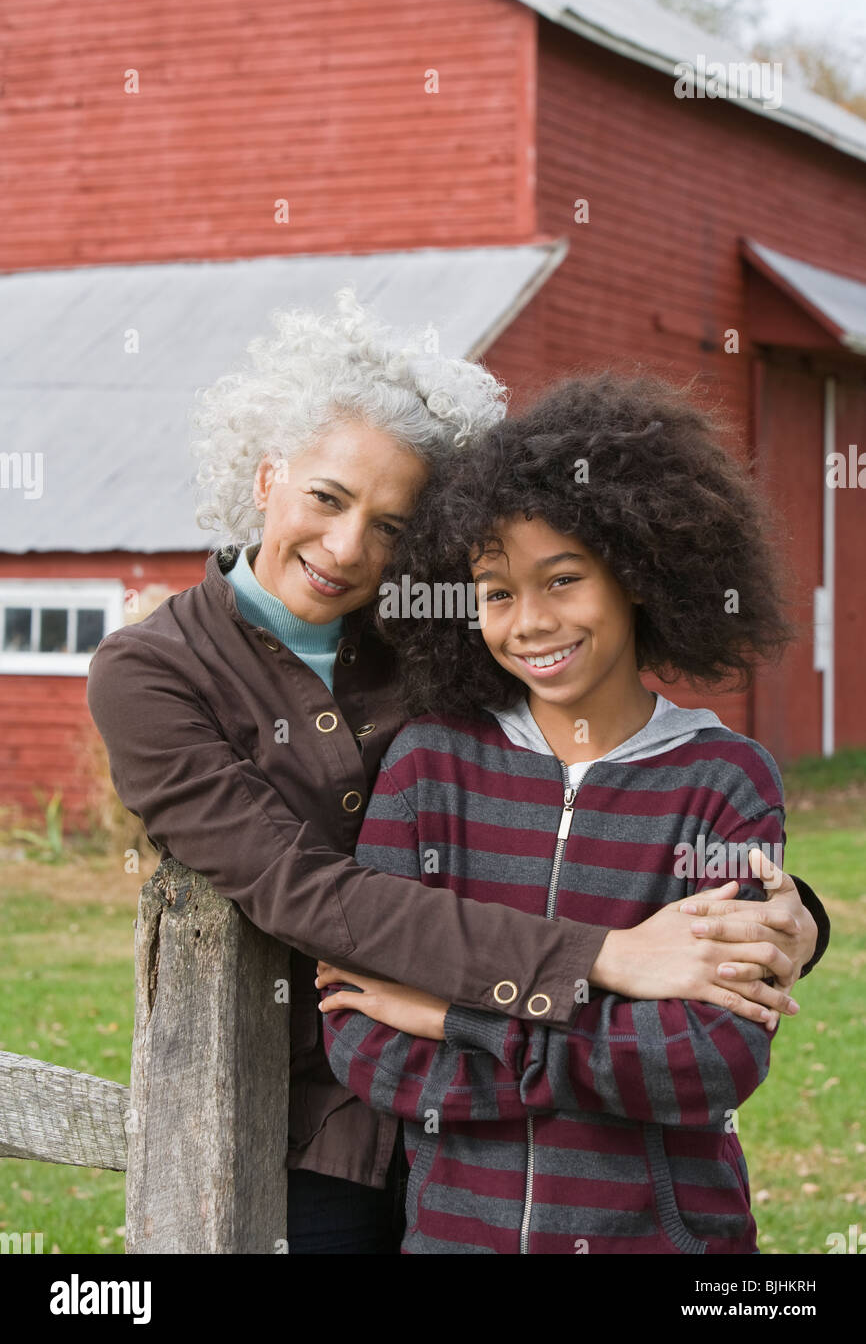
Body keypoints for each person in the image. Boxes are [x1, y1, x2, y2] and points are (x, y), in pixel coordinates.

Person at [86, 297, 827, 1254]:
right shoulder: (157, 672)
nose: (349, 548)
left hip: (496, 1137)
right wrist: (603, 957)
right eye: (325, 497)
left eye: (392, 524)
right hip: (315, 1116)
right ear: (268, 474)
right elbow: (304, 890)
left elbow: (607, 821)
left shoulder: (429, 641)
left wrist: (784, 913)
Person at [318, 370, 825, 1254]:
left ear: (635, 572)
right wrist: (610, 1030)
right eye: (498, 591)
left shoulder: (723, 780)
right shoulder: (429, 766)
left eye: (563, 580)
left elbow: (709, 1061)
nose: (531, 624)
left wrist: (455, 1018)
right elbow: (366, 1041)